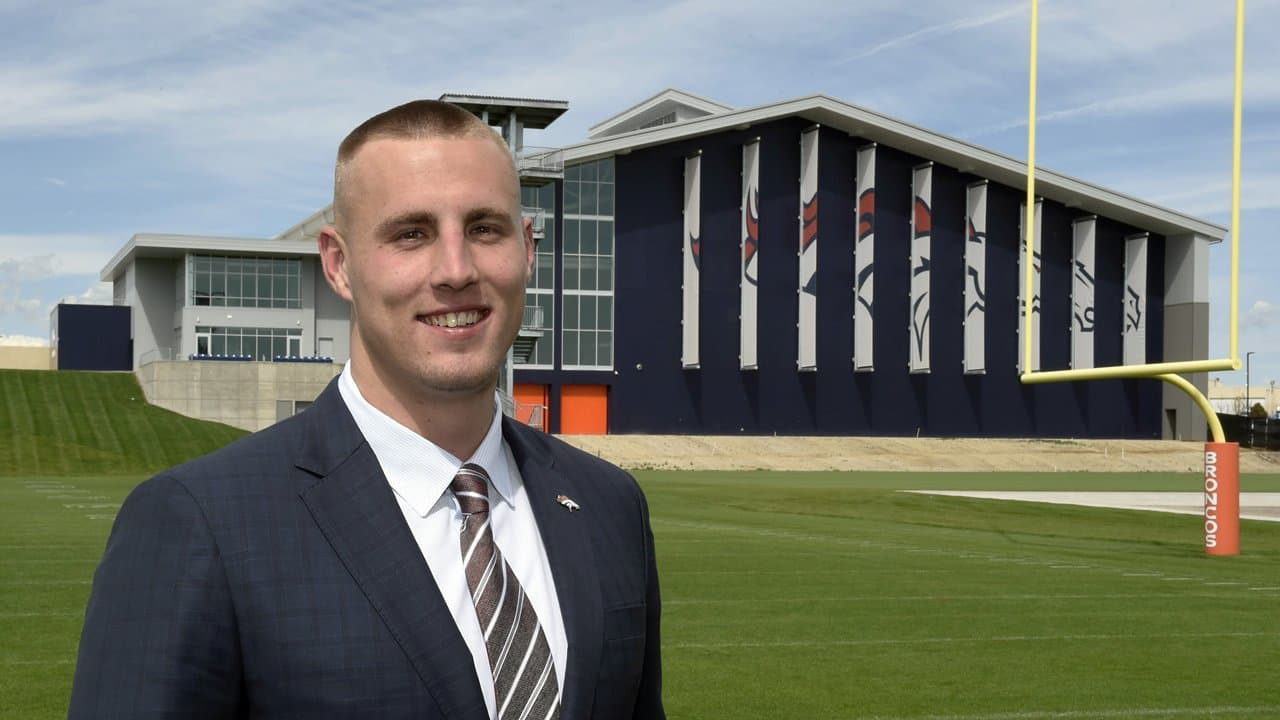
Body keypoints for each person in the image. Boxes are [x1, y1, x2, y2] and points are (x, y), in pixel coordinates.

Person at [69, 100, 665, 719]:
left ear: (528, 247)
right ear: (339, 264)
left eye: (486, 228)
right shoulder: (198, 524)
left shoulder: (608, 504)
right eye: (411, 234)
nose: (456, 270)